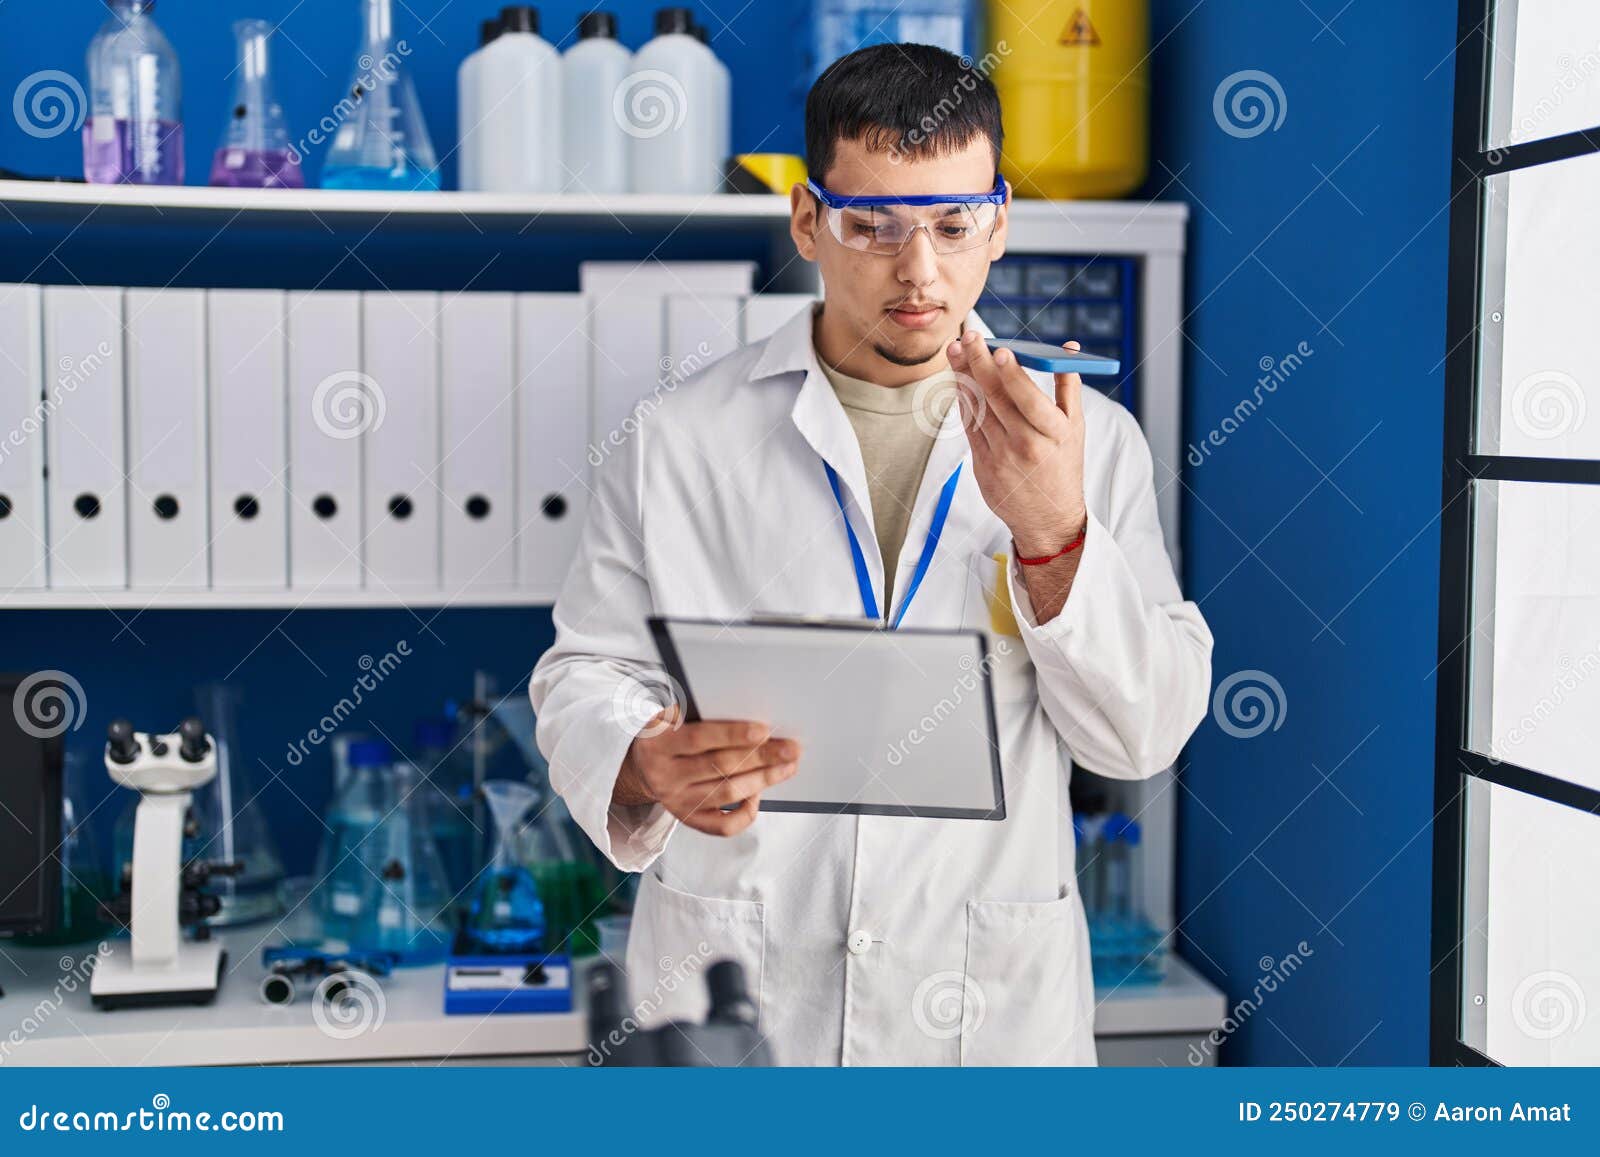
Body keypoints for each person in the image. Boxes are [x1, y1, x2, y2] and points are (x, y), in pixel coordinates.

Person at [531, 42, 1212, 1065]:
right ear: (807, 219)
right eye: (873, 226)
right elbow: (584, 669)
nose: (919, 271)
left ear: (998, 220)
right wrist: (639, 758)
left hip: (983, 1017)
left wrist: (1052, 534)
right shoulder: (678, 435)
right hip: (739, 992)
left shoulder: (1085, 438)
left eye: (951, 223)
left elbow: (1142, 735)